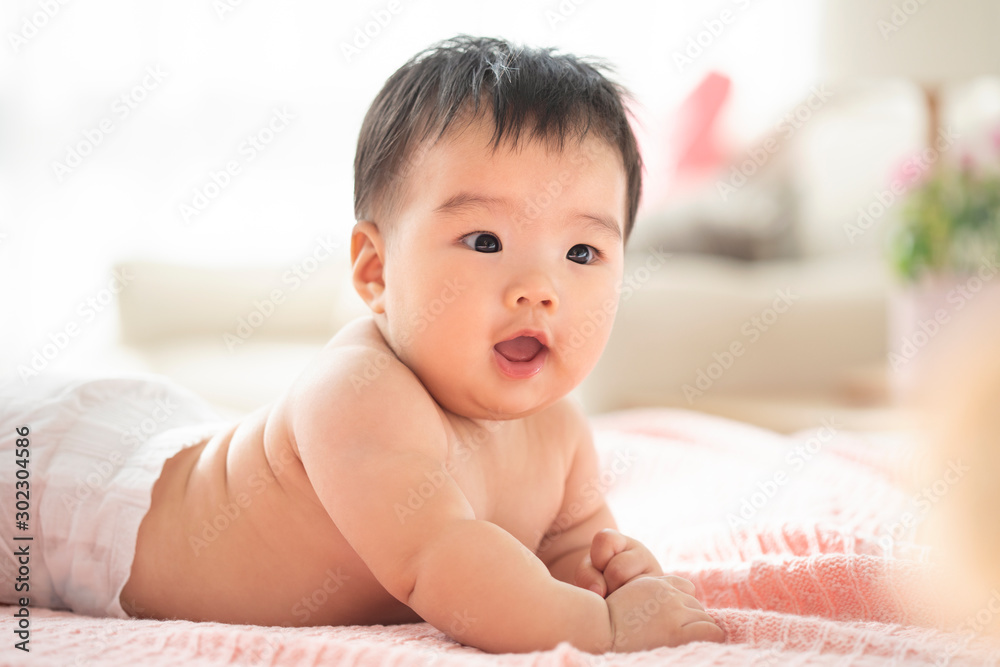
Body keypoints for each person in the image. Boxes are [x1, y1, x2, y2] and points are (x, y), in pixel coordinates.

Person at [0, 35, 724, 654]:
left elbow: (562, 557)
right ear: (377, 270)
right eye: (484, 240)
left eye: (582, 253)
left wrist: (618, 575)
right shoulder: (363, 393)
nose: (538, 287)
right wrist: (607, 629)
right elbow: (445, 565)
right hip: (73, 503)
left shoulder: (561, 434)